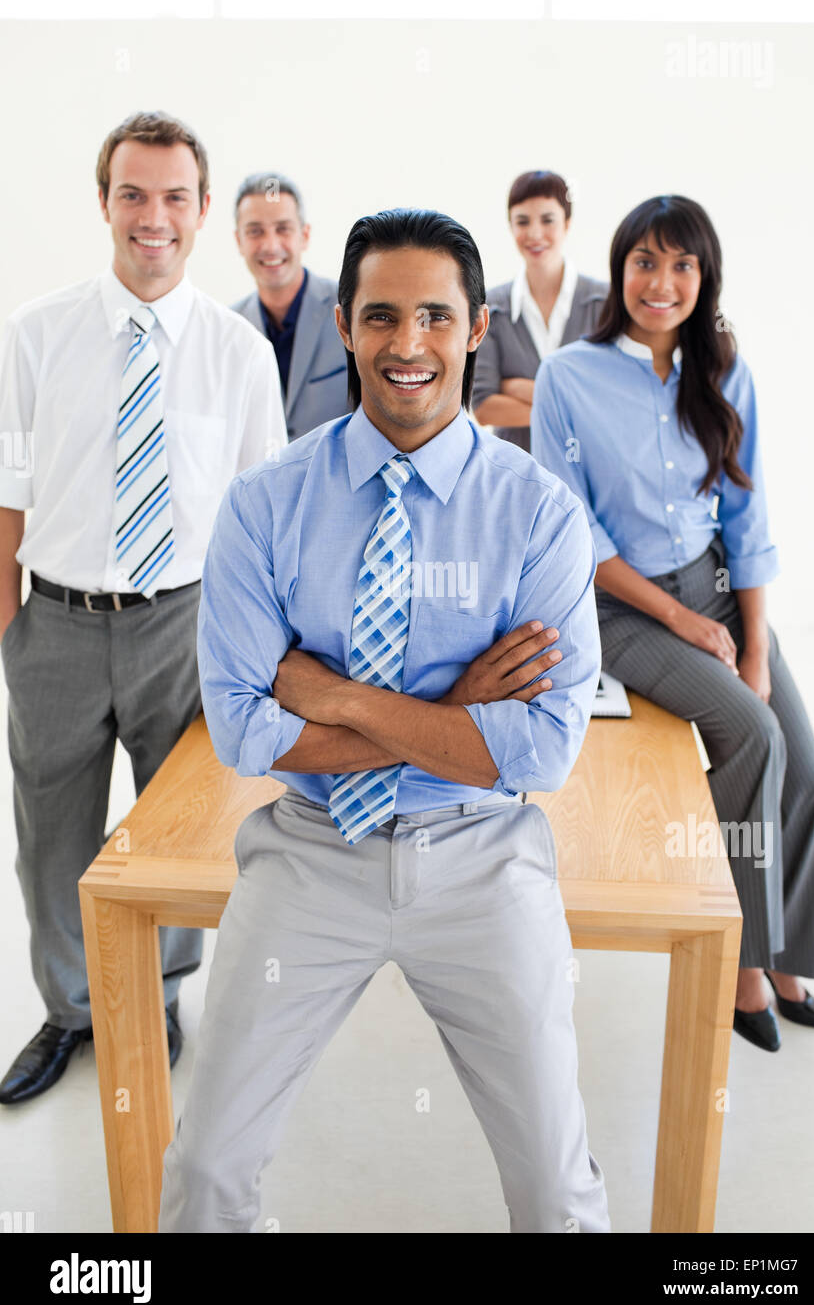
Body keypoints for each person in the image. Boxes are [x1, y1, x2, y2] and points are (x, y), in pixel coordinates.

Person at [158, 207, 610, 1233]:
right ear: (344, 321)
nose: (407, 345)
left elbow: (539, 747)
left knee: (555, 1189)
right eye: (379, 317)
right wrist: (455, 713)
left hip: (480, 854)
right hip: (310, 850)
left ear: (477, 325)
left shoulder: (537, 512)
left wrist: (338, 696)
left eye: (434, 318)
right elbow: (242, 731)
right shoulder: (264, 504)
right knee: (206, 1175)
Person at [0, 111, 287, 1105]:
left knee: (173, 832)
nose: (151, 217)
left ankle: (160, 990)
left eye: (173, 197)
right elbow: (7, 494)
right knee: (52, 830)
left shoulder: (240, 356)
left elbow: (259, 521)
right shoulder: (35, 334)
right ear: (104, 202)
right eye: (133, 194)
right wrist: (10, 627)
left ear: (204, 211)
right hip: (57, 623)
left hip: (185, 621)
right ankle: (74, 1005)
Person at [530, 193, 814, 1053]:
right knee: (752, 737)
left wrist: (756, 644)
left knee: (806, 769)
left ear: (704, 280)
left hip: (717, 594)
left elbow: (749, 518)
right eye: (644, 262)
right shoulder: (569, 378)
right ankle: (741, 966)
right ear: (619, 267)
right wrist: (682, 621)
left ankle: (789, 958)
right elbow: (575, 531)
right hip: (622, 607)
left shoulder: (725, 370)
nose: (661, 283)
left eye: (682, 266)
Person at [471, 170, 608, 451]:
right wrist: (569, 405)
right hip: (517, 474)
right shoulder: (491, 308)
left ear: (567, 223)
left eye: (547, 220)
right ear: (510, 226)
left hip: (590, 468)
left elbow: (608, 401)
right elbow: (484, 407)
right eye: (522, 221)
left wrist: (516, 388)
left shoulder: (604, 302)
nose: (534, 233)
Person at [232, 172, 349, 441]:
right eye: (255, 231)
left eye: (283, 229)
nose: (270, 246)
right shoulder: (227, 328)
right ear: (239, 240)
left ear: (304, 235)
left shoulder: (351, 310)